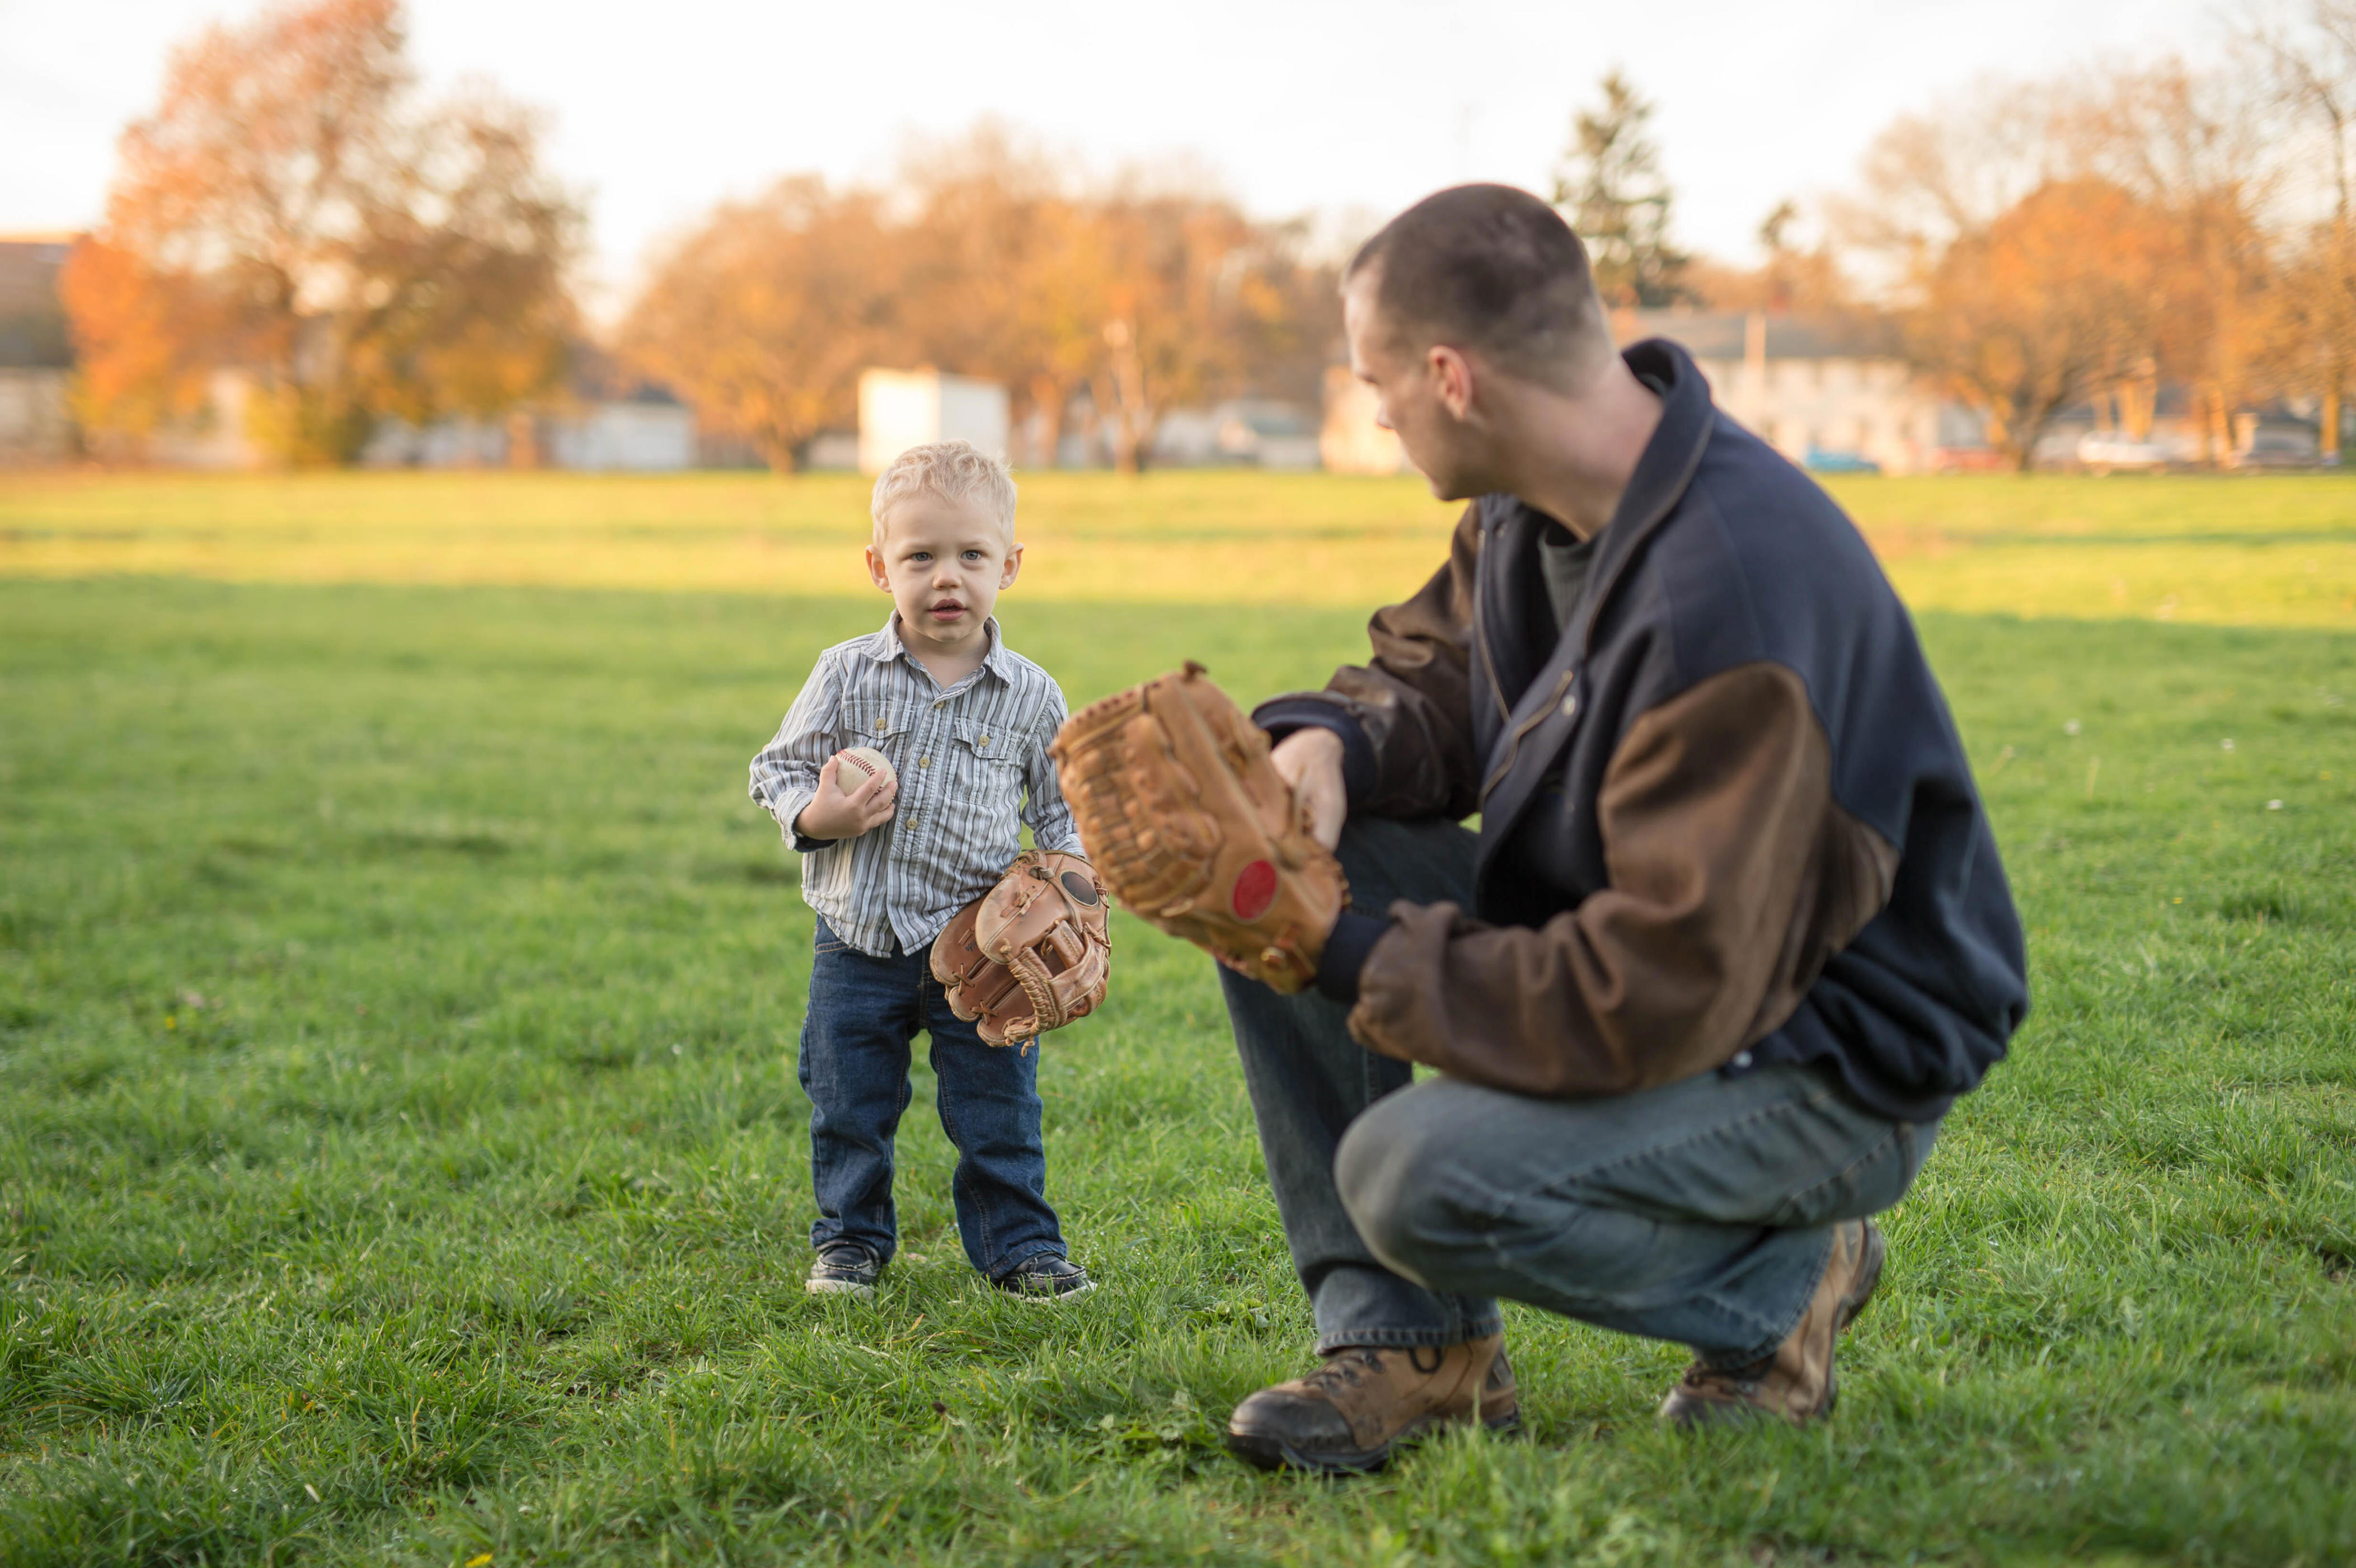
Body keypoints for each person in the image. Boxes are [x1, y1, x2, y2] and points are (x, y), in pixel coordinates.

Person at [1214, 185, 2029, 1473]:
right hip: (1667, 965)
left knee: (1415, 1176)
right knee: (1300, 858)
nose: (1374, 415)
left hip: (1824, 1051)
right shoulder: (1534, 499)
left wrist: (1346, 953)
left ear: (1450, 378)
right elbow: (1437, 672)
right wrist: (1329, 744)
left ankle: (1788, 1285)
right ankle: (1419, 1352)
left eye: (1377, 383)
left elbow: (1657, 991)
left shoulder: (1732, 599)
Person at [749, 440, 1093, 1303]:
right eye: (919, 556)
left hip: (983, 951)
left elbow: (1061, 811)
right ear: (879, 567)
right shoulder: (846, 673)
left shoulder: (1031, 694)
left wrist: (1077, 894)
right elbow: (777, 768)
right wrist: (817, 817)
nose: (947, 577)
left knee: (999, 1108)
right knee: (848, 1103)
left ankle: (1021, 1248)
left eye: (971, 555)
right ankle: (849, 1240)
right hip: (856, 944)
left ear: (1008, 566)